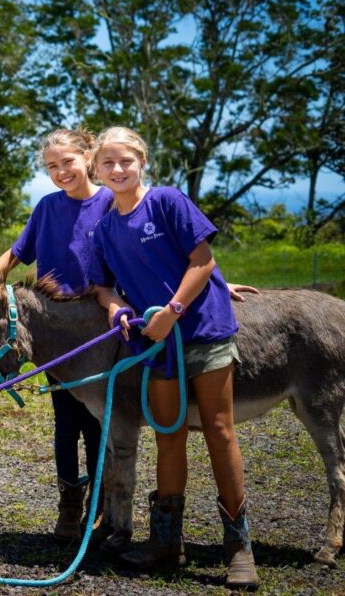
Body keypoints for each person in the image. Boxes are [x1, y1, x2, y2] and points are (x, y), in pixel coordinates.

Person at [86, 126, 259, 589]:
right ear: (96, 171)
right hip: (155, 342)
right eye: (108, 163)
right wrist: (116, 307)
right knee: (169, 435)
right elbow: (101, 285)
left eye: (126, 160)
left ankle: (239, 547)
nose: (118, 169)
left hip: (201, 331)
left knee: (220, 431)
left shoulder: (167, 201)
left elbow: (202, 261)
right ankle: (166, 543)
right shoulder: (103, 229)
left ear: (142, 161)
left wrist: (173, 311)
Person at [0, 128, 111, 542]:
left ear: (88, 156)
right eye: (51, 166)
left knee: (99, 423)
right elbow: (16, 253)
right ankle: (70, 503)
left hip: (98, 328)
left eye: (67, 162)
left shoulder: (111, 203)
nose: (61, 172)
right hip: (54, 333)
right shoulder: (47, 208)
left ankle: (100, 507)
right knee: (66, 422)